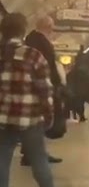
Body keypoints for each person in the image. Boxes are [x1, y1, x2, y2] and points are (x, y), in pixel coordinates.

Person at [0, 13, 78, 187]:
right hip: (30, 117)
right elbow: (45, 91)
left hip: (2, 118)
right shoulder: (33, 55)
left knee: (2, 158)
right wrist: (49, 117)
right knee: (39, 159)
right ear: (23, 30)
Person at [21, 16, 62, 165]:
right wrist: (54, 83)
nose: (53, 30)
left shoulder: (33, 39)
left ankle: (30, 154)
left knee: (35, 122)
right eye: (51, 26)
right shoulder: (39, 41)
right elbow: (46, 65)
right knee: (39, 121)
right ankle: (35, 155)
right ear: (47, 26)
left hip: (34, 85)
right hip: (38, 86)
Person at [67, 52, 89, 122]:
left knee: (75, 103)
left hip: (74, 90)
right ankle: (81, 116)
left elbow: (69, 79)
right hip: (81, 91)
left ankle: (75, 115)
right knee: (81, 103)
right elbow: (86, 81)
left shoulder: (72, 71)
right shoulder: (83, 71)